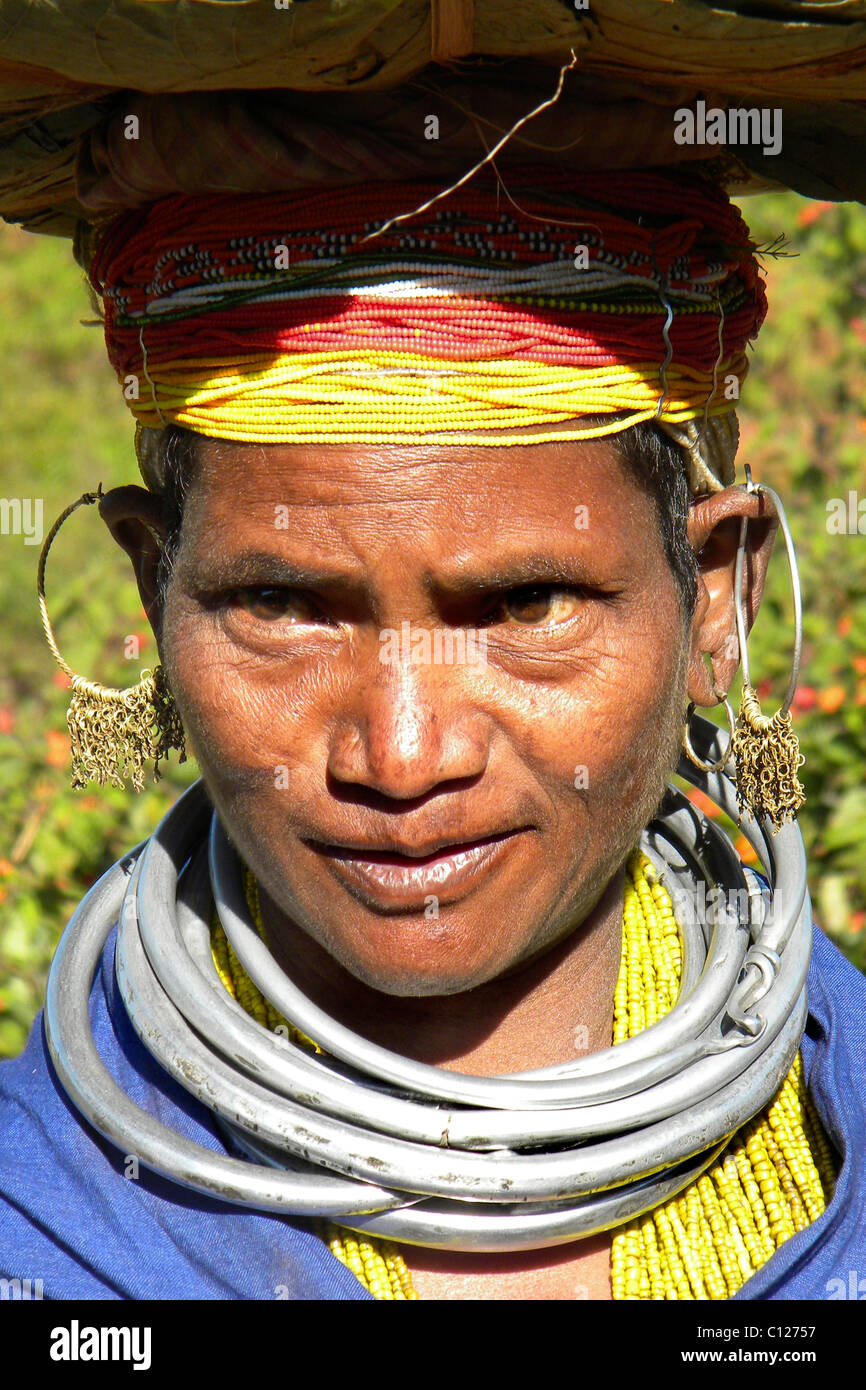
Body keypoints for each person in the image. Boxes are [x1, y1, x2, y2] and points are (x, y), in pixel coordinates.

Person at [1, 163, 864, 1302]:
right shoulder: (47, 1244)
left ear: (712, 590)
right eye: (280, 607)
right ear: (156, 590)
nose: (401, 757)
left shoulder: (834, 1134)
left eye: (525, 605)